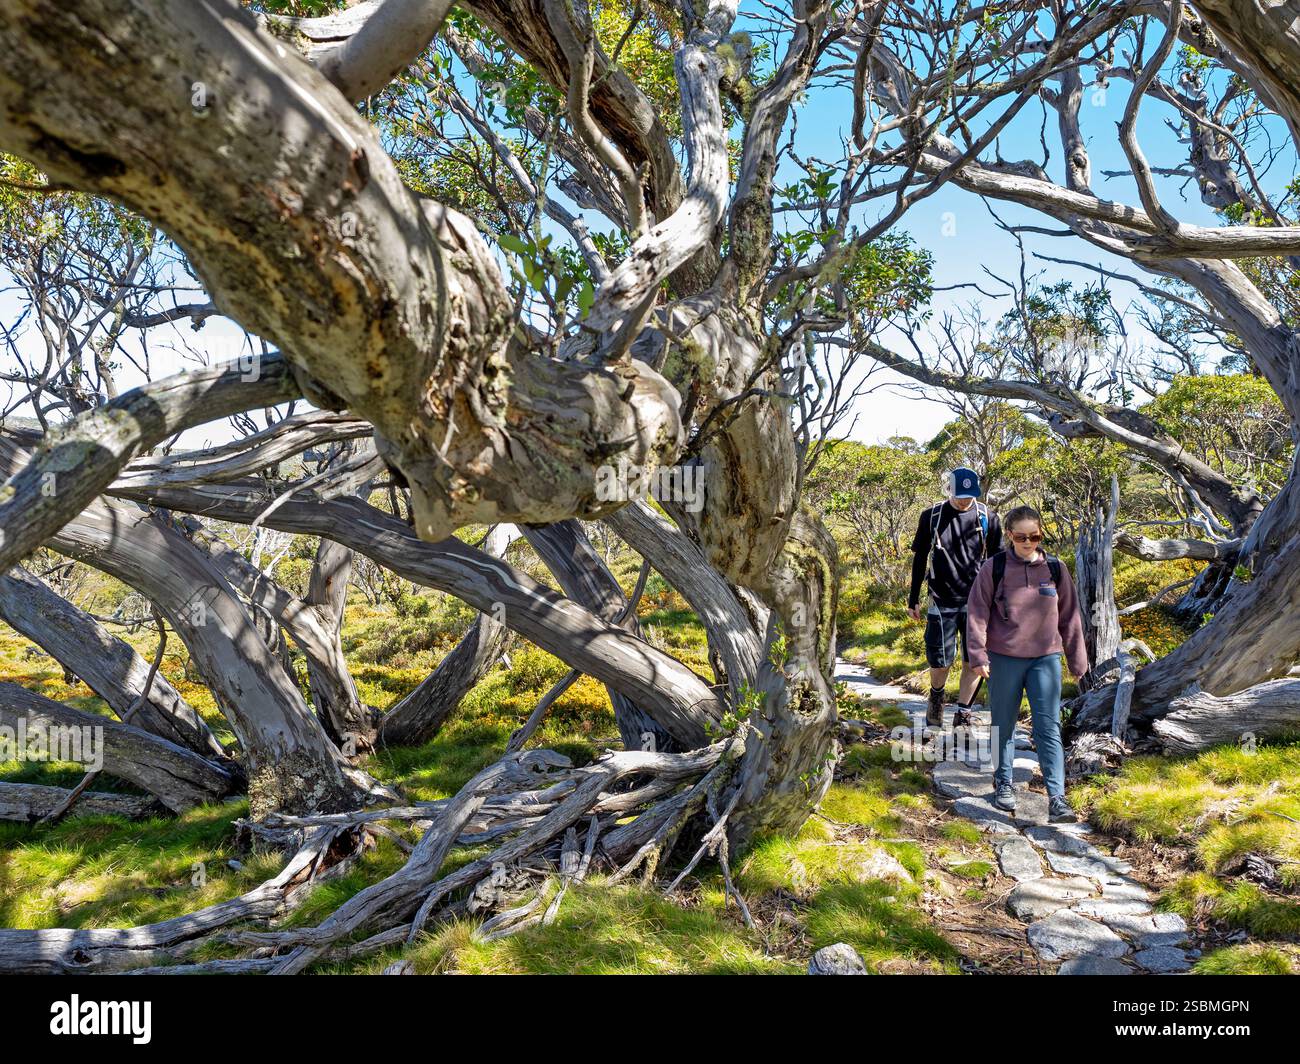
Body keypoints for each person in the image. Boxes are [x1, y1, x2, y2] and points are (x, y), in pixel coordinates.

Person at [965, 505, 1089, 824]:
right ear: (1009, 535)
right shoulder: (993, 568)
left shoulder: (1055, 569)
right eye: (1021, 536)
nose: (1028, 542)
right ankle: (1003, 784)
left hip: (1046, 659)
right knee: (1002, 725)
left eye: (1034, 536)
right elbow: (977, 613)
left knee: (1048, 728)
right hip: (1003, 659)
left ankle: (1057, 798)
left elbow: (1070, 617)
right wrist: (977, 655)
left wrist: (1078, 660)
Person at [907, 466, 1001, 730]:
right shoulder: (931, 516)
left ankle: (963, 712)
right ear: (949, 489)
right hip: (941, 598)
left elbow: (998, 562)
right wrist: (913, 597)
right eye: (960, 495)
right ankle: (936, 697)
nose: (964, 500)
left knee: (974, 659)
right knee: (940, 659)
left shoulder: (988, 518)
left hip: (978, 602)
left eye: (970, 495)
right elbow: (919, 558)